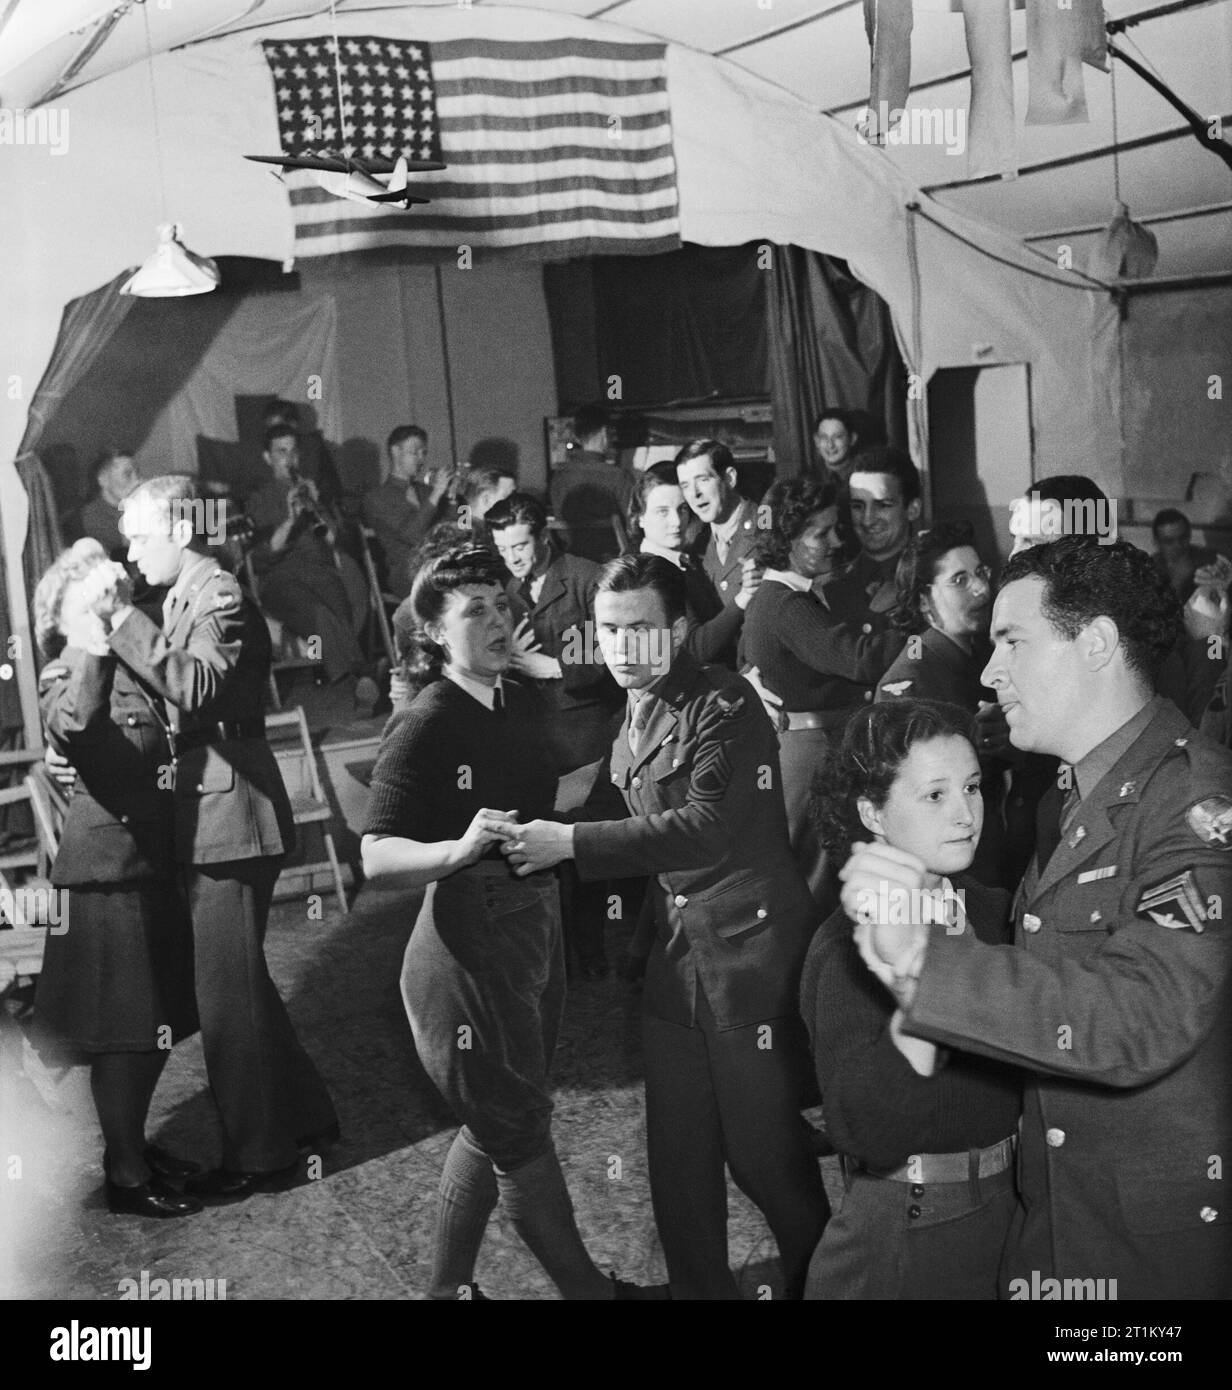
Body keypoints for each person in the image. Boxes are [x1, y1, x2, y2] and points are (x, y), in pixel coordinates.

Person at [848, 536, 1232, 1299]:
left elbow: (1143, 1011)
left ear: (1095, 644)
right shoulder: (1072, 793)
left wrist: (929, 960)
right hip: (1063, 1209)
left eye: (1012, 642)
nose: (990, 673)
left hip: (1153, 1249)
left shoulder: (1194, 806)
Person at [500, 554, 830, 1300]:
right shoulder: (636, 709)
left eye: (640, 630)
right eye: (608, 631)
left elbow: (704, 828)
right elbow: (621, 804)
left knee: (763, 1159)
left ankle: (830, 1284)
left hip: (747, 960)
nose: (620, 647)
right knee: (678, 1160)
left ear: (679, 631)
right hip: (677, 962)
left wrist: (570, 844)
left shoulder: (725, 705)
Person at [360, 544, 661, 1300]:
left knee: (498, 1118)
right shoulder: (427, 719)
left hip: (532, 926)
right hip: (466, 946)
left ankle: (444, 1292)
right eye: (474, 610)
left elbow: (551, 793)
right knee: (517, 1131)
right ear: (433, 631)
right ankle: (590, 1292)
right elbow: (374, 854)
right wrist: (457, 849)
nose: (498, 619)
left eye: (502, 603)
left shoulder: (514, 701)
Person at [81, 474, 339, 1200]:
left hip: (233, 813)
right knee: (241, 983)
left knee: (226, 998)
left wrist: (125, 619)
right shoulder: (187, 594)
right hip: (215, 809)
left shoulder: (218, 593)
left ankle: (261, 1155)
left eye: (139, 534)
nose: (130, 552)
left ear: (183, 528)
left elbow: (197, 689)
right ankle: (308, 1119)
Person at [801, 700, 1020, 1299]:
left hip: (1011, 1207)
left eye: (973, 788)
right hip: (911, 1224)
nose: (965, 814)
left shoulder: (997, 910)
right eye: (934, 795)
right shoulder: (845, 948)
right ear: (872, 811)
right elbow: (863, 1130)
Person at [32, 539, 201, 1219]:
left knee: (158, 1021)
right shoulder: (63, 670)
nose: (115, 600)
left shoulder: (121, 662)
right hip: (105, 876)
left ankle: (131, 1145)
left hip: (150, 862)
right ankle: (126, 1174)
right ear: (75, 608)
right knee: (125, 1032)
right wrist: (90, 638)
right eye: (101, 594)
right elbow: (75, 723)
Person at [739, 478, 905, 910]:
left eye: (835, 529)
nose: (835, 541)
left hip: (805, 749)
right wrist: (915, 626)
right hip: (808, 754)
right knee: (815, 882)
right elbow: (860, 660)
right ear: (787, 540)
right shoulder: (787, 605)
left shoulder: (787, 597)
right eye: (820, 534)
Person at [486, 492, 623, 980]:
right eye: (505, 551)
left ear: (543, 534)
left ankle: (592, 956)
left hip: (588, 735)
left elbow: (612, 657)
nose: (514, 559)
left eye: (521, 546)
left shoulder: (586, 578)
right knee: (542, 848)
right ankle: (557, 956)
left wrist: (551, 667)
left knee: (582, 848)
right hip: (537, 738)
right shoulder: (509, 588)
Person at [877, 521, 1004, 885]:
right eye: (960, 580)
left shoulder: (981, 655)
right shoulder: (910, 682)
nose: (981, 588)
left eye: (981, 573)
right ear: (923, 600)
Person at [245, 423, 378, 711]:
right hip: (281, 581)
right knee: (318, 614)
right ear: (268, 458)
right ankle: (359, 677)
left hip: (322, 575)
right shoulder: (258, 498)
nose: (289, 459)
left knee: (338, 605)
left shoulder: (311, 490)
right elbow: (260, 558)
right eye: (281, 452)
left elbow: (334, 541)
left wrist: (318, 507)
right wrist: (291, 520)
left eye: (293, 452)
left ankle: (353, 682)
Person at [628, 462, 743, 665]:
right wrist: (743, 599)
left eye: (681, 509)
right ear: (640, 518)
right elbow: (694, 648)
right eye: (662, 512)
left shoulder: (689, 559)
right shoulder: (650, 574)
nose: (676, 521)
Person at [677, 439, 762, 666]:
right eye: (685, 486)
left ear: (730, 478)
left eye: (703, 480)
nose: (694, 494)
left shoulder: (767, 525)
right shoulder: (695, 545)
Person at [362, 425, 452, 600]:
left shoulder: (427, 491)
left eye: (424, 453)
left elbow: (458, 526)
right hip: (407, 574)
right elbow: (411, 535)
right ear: (396, 451)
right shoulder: (377, 498)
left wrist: (455, 499)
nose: (421, 459)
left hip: (440, 565)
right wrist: (437, 493)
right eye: (415, 452)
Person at [830, 445, 921, 615]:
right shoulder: (831, 583)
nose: (867, 520)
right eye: (858, 506)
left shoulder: (932, 580)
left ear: (912, 509)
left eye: (883, 505)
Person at [548, 404, 634, 564]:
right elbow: (633, 527)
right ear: (604, 433)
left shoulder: (559, 476)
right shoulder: (619, 477)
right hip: (613, 564)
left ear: (578, 437)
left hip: (571, 561)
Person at [79, 450, 140, 559]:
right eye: (127, 474)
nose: (136, 480)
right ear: (103, 480)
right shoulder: (92, 516)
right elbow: (126, 550)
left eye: (137, 472)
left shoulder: (144, 505)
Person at [1152, 506, 1219, 603]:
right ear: (1157, 542)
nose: (1178, 545)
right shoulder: (1148, 569)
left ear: (1189, 534)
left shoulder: (1208, 560)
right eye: (1169, 541)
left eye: (1183, 537)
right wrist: (1178, 581)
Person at [811, 408, 860, 486]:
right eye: (824, 437)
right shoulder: (808, 479)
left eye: (837, 437)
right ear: (816, 441)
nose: (830, 445)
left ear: (852, 439)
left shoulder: (865, 476)